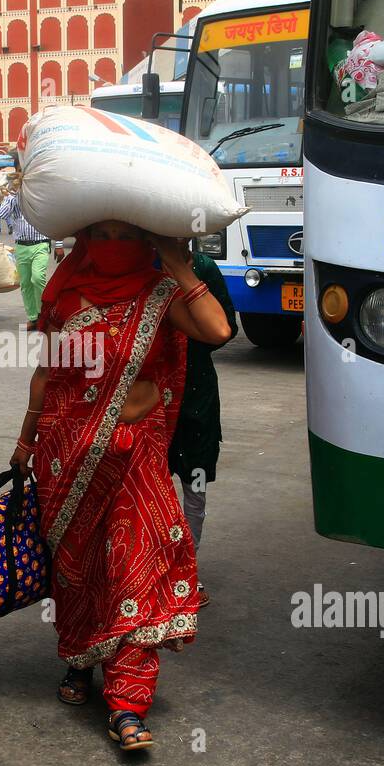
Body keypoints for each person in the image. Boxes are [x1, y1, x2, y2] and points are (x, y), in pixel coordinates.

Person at [10, 220, 232, 751]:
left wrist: (176, 262)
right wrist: (24, 443)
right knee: (77, 571)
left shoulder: (159, 294)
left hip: (139, 458)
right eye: (102, 234)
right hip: (71, 456)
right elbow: (47, 375)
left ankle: (127, 704)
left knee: (134, 568)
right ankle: (79, 661)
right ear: (86, 239)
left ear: (145, 239)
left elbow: (218, 332)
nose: (114, 246)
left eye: (126, 235)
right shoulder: (67, 294)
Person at [167, 251, 237, 606]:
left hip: (196, 398)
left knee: (195, 486)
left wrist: (194, 322)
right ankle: (151, 571)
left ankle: (185, 571)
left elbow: (226, 330)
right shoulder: (141, 264)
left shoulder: (204, 268)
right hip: (152, 397)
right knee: (150, 487)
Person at [0, 157, 63, 329]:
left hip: (41, 243)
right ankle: (33, 317)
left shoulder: (42, 193)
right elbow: (3, 214)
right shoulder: (13, 195)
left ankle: (44, 314)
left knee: (38, 278)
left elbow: (54, 218)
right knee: (26, 283)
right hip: (22, 245)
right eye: (20, 171)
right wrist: (14, 194)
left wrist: (58, 245)